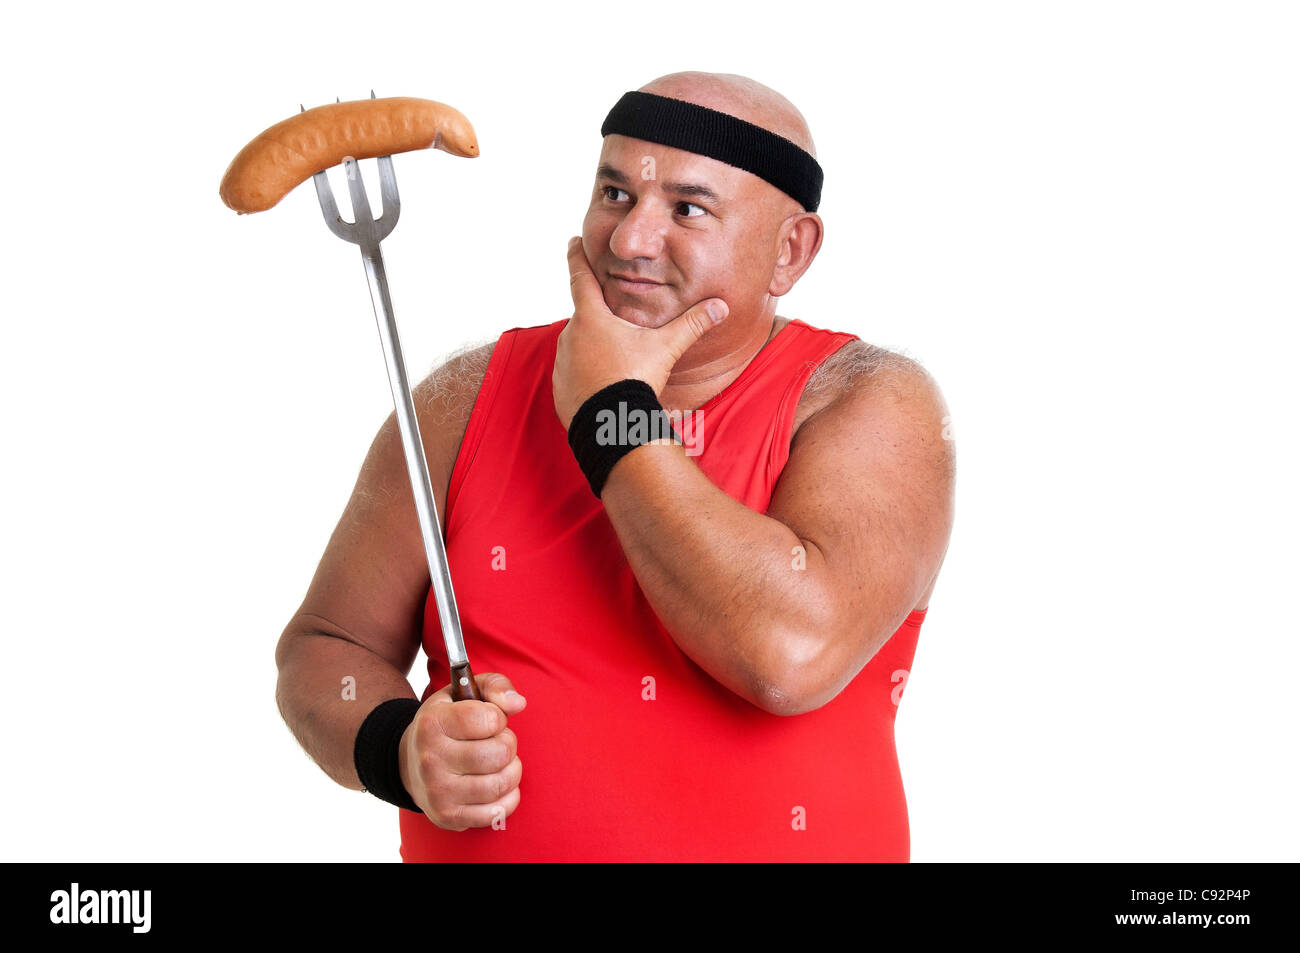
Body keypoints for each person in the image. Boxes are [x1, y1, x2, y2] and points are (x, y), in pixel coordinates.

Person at [275, 71, 956, 861]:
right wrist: (397, 749)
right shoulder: (459, 402)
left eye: (688, 209)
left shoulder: (873, 404)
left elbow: (789, 656)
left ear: (790, 250)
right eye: (615, 194)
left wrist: (611, 414)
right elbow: (324, 648)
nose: (631, 241)